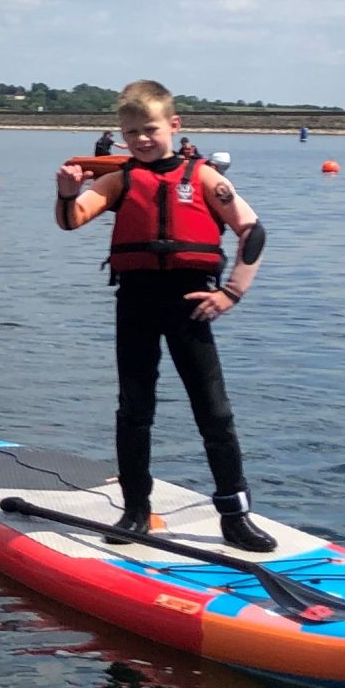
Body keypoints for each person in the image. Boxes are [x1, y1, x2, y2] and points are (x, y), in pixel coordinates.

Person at [54, 79, 274, 553]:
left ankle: (235, 517)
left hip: (189, 305)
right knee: (135, 411)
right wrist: (68, 193)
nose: (141, 139)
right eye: (131, 132)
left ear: (173, 125)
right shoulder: (119, 179)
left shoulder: (205, 178)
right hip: (136, 303)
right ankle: (136, 511)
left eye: (150, 129)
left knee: (213, 413)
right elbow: (73, 219)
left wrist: (232, 292)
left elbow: (252, 231)